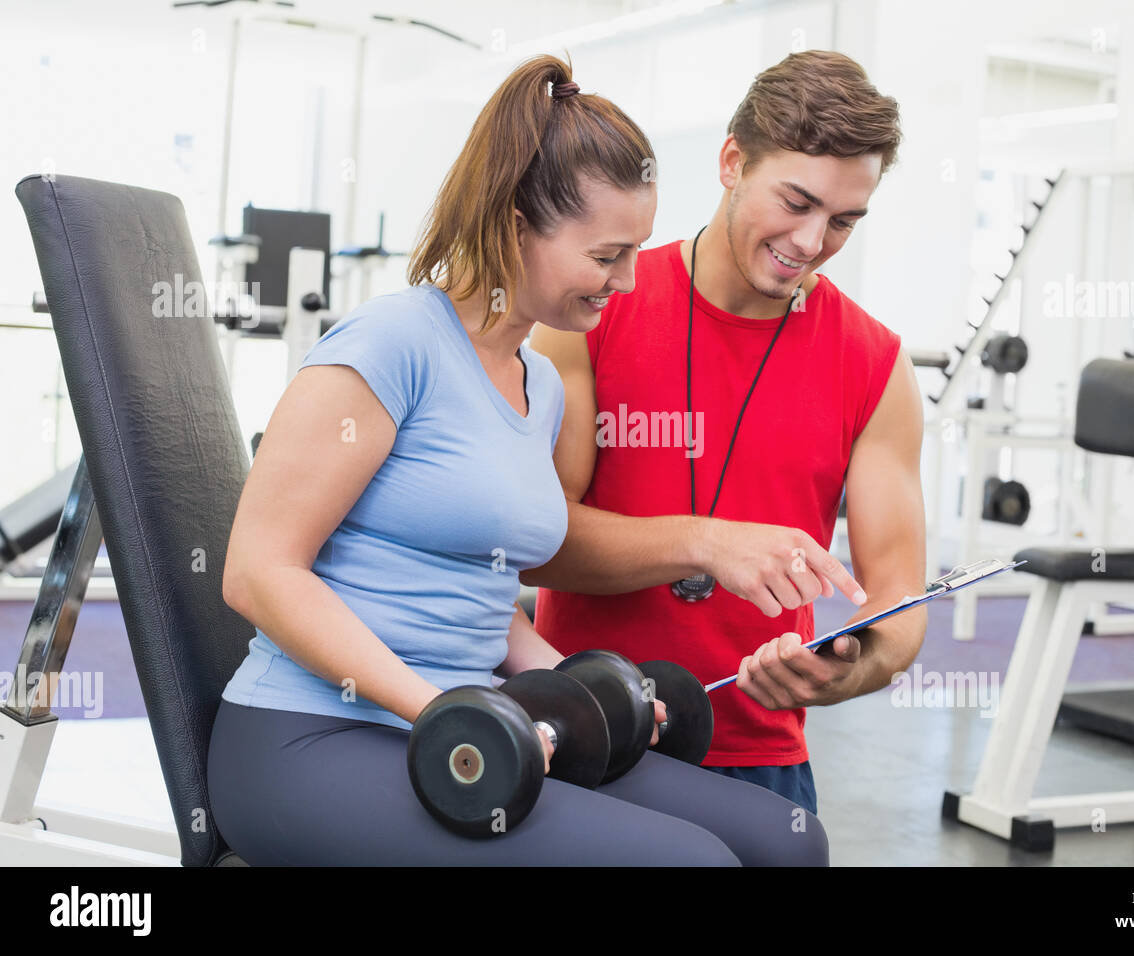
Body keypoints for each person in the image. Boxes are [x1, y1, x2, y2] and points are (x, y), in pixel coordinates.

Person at [207, 53, 829, 866]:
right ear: (513, 226)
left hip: (464, 726)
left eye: (636, 253)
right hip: (311, 738)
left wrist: (590, 690)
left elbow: (479, 593)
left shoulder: (538, 382)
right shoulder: (391, 345)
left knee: (781, 842)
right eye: (607, 257)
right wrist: (445, 711)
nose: (630, 282)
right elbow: (257, 573)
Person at [526, 50, 926, 815]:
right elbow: (538, 544)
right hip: (588, 729)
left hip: (759, 752)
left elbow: (901, 600)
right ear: (732, 161)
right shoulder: (596, 310)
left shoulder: (875, 364)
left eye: (843, 220)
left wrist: (849, 671)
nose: (812, 242)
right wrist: (707, 542)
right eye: (797, 202)